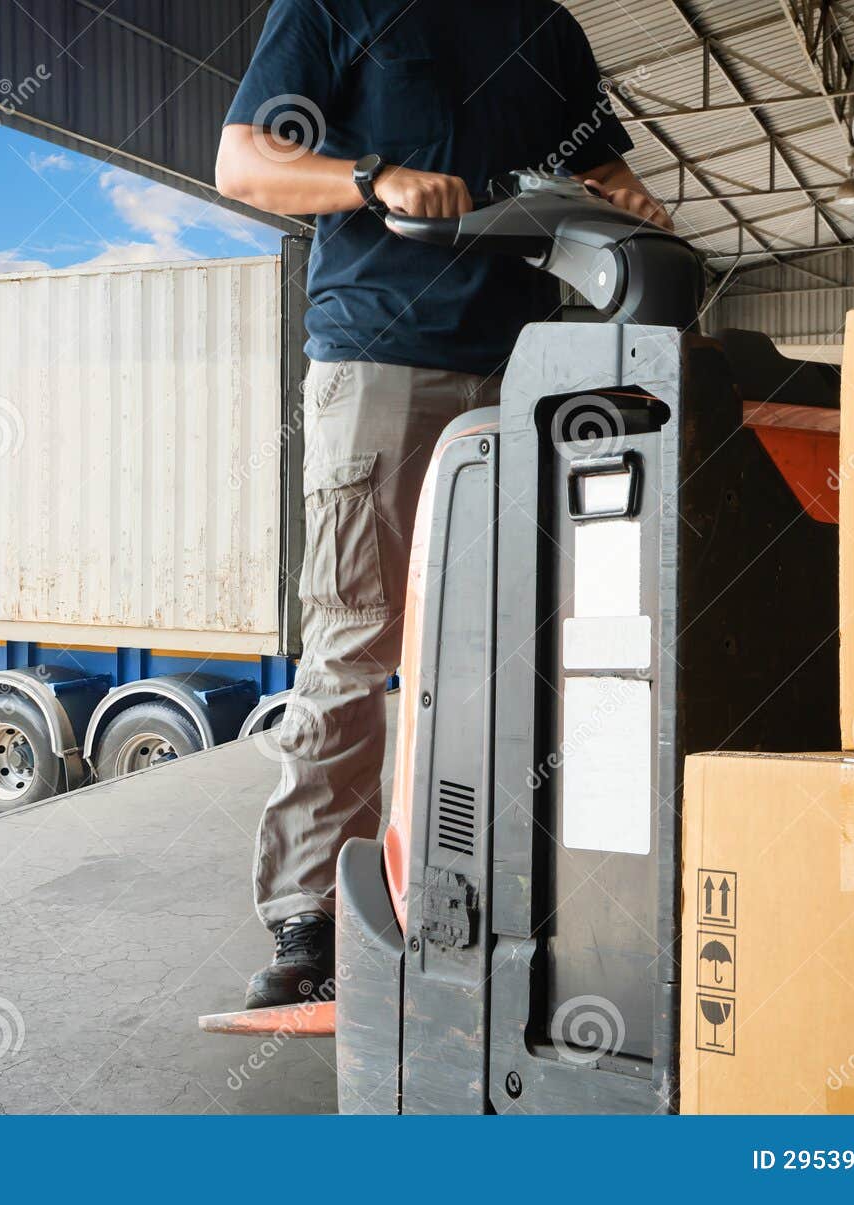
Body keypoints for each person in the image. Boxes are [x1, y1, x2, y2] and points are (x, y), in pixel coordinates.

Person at [215, 0, 671, 1008]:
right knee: (358, 640)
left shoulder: (545, 29)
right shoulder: (333, 10)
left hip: (527, 373)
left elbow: (598, 165)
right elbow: (242, 164)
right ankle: (311, 921)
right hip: (382, 358)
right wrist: (368, 179)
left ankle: (508, 895)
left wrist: (632, 199)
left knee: (523, 648)